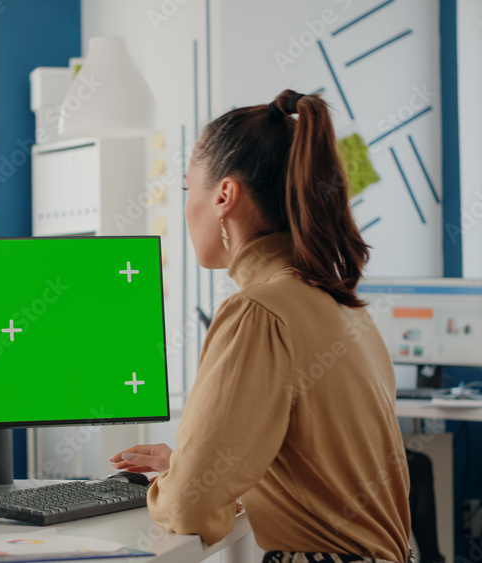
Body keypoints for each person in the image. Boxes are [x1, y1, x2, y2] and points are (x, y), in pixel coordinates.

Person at [110, 90, 411, 562]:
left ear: (224, 196)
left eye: (189, 191)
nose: (185, 209)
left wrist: (177, 484)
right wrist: (187, 466)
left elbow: (188, 506)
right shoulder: (339, 304)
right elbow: (311, 468)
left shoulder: (259, 311)